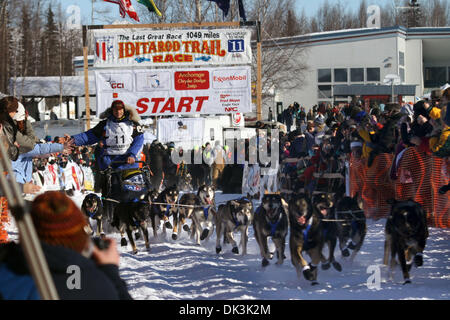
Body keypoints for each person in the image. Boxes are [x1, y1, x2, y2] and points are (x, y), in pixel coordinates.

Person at [0, 191, 133, 300]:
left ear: (27, 231)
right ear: (78, 239)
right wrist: (110, 271)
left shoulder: (6, 274)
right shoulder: (98, 285)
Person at [69, 100, 144, 219]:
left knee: (134, 192)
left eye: (120, 109)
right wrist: (72, 140)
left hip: (129, 164)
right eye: (115, 110)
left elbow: (139, 140)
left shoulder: (133, 124)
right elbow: (88, 136)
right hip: (111, 164)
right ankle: (110, 218)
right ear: (112, 110)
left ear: (124, 110)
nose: (118, 112)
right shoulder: (105, 124)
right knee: (111, 193)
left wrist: (132, 155)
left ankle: (138, 215)